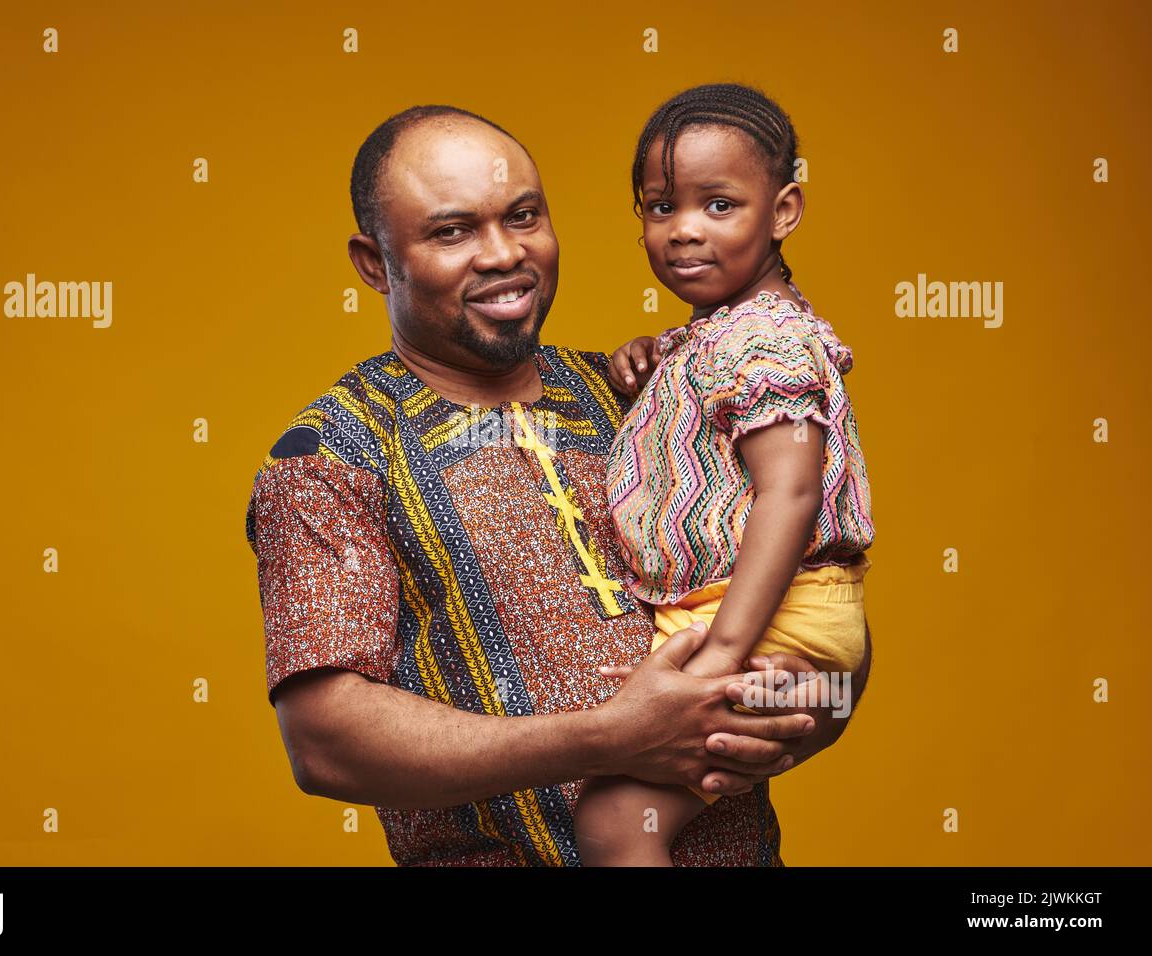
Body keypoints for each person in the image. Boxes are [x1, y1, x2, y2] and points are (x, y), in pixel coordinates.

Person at [244, 103, 872, 866]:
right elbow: (325, 745)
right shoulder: (332, 456)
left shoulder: (640, 396)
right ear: (375, 262)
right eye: (452, 231)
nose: (503, 253)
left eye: (523, 216)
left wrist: (804, 693)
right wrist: (608, 737)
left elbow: (819, 604)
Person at [574, 84, 875, 865]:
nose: (681, 232)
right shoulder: (725, 334)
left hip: (765, 621)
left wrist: (722, 653)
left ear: (783, 212)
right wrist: (650, 357)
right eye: (659, 206)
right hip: (759, 619)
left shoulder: (764, 340)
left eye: (718, 206)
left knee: (614, 822)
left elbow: (792, 491)